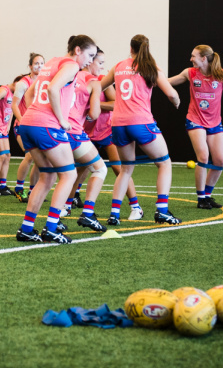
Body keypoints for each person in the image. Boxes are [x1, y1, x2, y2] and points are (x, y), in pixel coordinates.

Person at [14, 35, 97, 244]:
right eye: (90, 55)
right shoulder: (71, 65)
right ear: (77, 50)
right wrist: (61, 119)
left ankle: (27, 228)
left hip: (28, 123)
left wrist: (36, 114)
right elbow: (52, 89)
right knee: (69, 175)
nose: (90, 61)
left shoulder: (52, 62)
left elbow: (30, 93)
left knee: (47, 176)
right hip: (47, 125)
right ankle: (51, 228)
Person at [100, 34, 182, 226]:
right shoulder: (150, 68)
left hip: (118, 124)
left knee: (126, 169)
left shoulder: (118, 66)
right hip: (141, 122)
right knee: (164, 163)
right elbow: (171, 94)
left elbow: (98, 86)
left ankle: (114, 214)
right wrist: (177, 102)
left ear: (131, 49)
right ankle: (162, 211)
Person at [168, 45, 223, 209]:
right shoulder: (190, 73)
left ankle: (207, 195)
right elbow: (168, 82)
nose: (190, 59)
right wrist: (151, 77)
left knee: (220, 161)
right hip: (195, 120)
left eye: (193, 56)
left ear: (203, 58)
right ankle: (201, 199)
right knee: (203, 156)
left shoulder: (221, 74)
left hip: (215, 122)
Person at [62, 48, 110, 233]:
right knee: (100, 168)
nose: (102, 67)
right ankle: (88, 213)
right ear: (90, 61)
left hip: (57, 129)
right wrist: (88, 116)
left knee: (58, 175)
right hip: (74, 131)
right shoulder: (93, 81)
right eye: (100, 62)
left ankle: (56, 215)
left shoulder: (69, 72)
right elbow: (95, 113)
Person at [84, 83, 144, 221]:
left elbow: (115, 104)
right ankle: (66, 206)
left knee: (119, 168)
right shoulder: (78, 80)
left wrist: (95, 104)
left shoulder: (103, 82)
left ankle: (136, 207)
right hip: (85, 131)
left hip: (106, 130)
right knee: (80, 169)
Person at [11, 53, 43, 202]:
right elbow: (14, 105)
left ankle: (33, 191)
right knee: (30, 156)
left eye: (42, 63)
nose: (39, 66)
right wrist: (22, 121)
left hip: (37, 126)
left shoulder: (44, 82)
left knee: (39, 158)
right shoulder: (23, 83)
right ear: (30, 66)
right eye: (36, 63)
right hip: (22, 125)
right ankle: (18, 188)